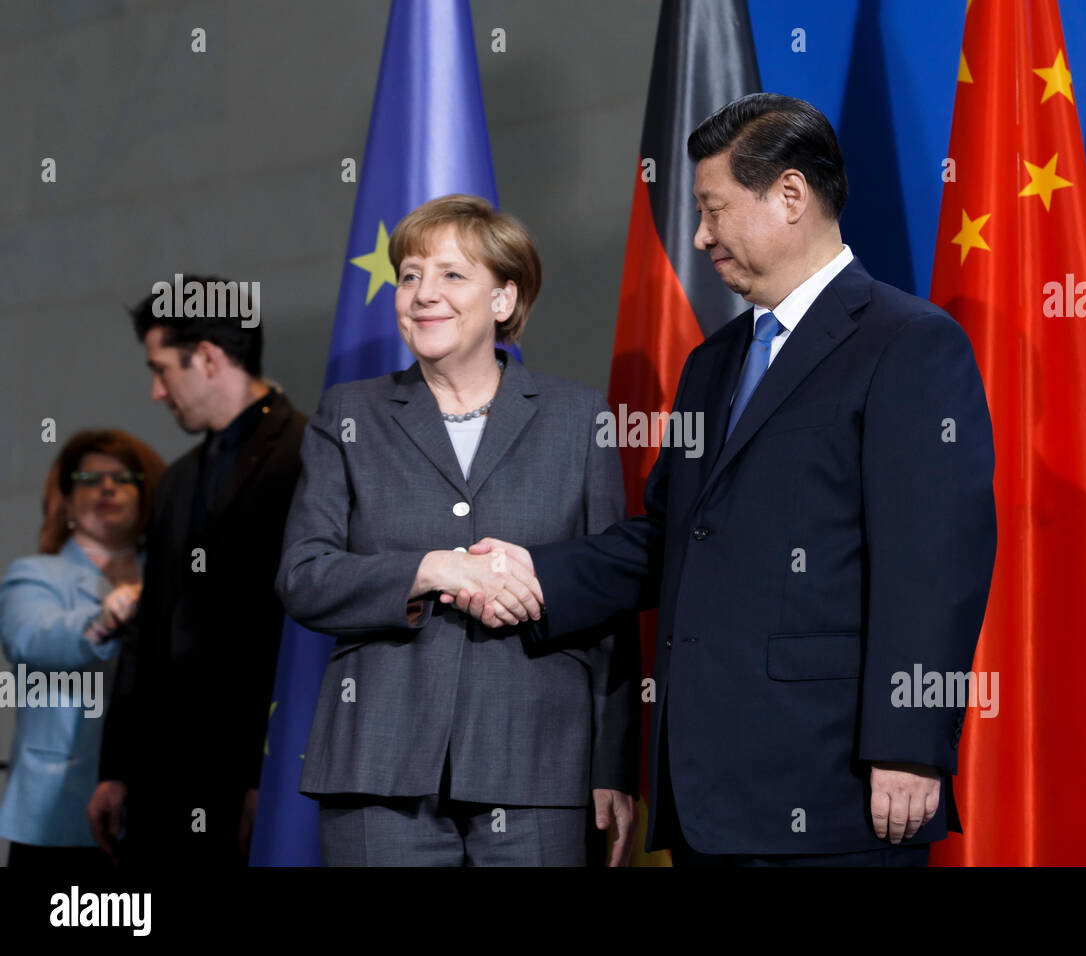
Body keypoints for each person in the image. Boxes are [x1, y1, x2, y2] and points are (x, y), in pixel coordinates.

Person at [454, 94, 998, 866]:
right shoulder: (713, 363)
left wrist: (910, 745)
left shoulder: (907, 343)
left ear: (789, 197)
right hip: (707, 791)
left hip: (834, 784)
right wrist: (531, 571)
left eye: (712, 209)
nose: (701, 235)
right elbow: (670, 539)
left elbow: (936, 563)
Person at [274, 194, 640, 867]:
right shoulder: (348, 414)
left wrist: (612, 763)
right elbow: (304, 577)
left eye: (450, 275)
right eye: (409, 275)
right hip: (378, 770)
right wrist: (433, 569)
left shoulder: (577, 416)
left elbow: (609, 598)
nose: (421, 294)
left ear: (504, 300)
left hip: (537, 767)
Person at [86, 276, 307, 865]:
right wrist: (117, 770)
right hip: (162, 787)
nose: (157, 392)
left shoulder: (312, 454)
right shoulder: (179, 478)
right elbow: (147, 633)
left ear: (208, 358)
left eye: (162, 370)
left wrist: (274, 776)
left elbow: (304, 638)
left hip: (253, 782)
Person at [0, 430, 164, 867]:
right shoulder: (36, 573)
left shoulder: (173, 573)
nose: (107, 488)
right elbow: (29, 638)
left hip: (154, 802)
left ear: (145, 496)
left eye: (122, 478)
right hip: (60, 807)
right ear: (67, 502)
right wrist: (102, 621)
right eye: (90, 478)